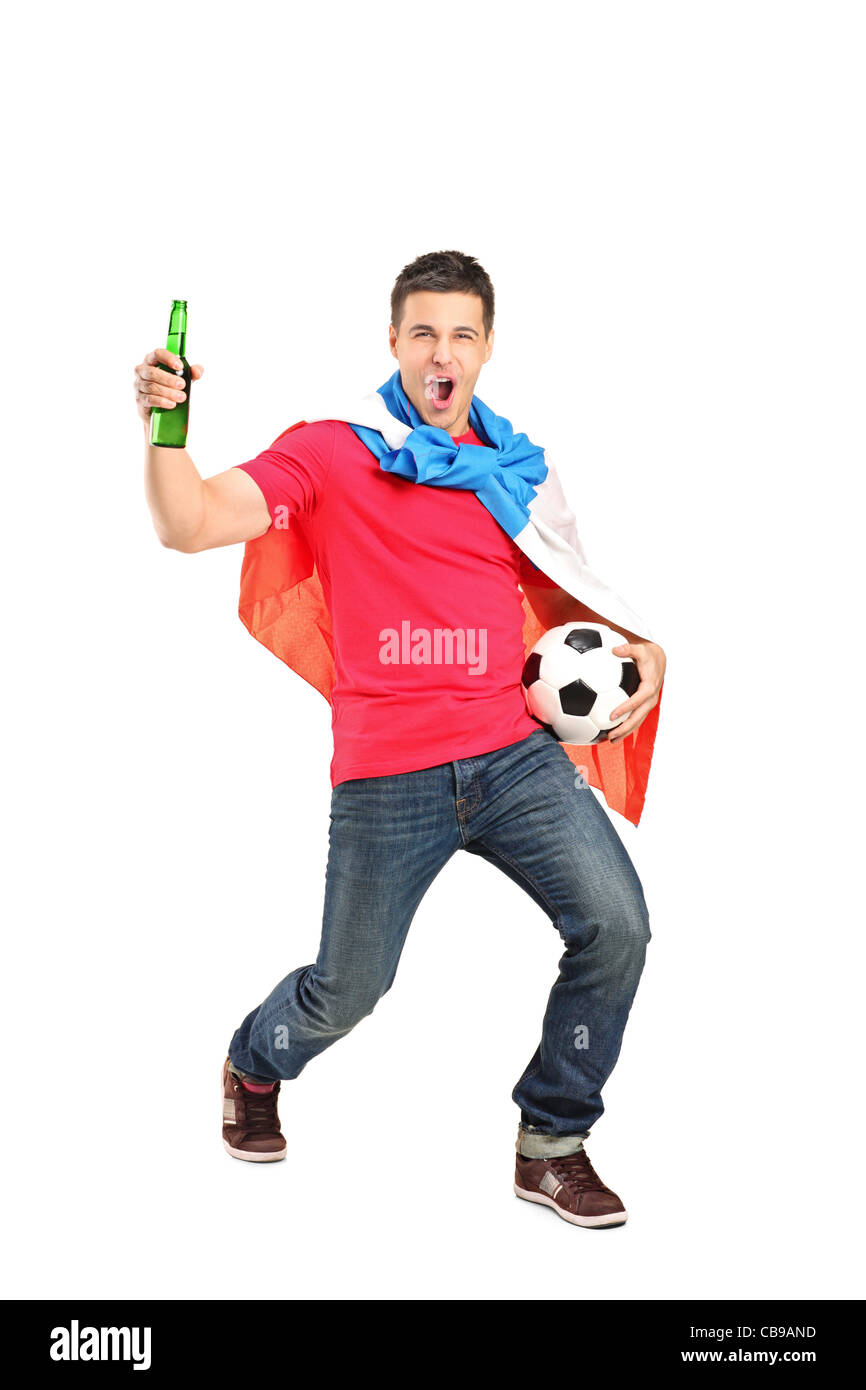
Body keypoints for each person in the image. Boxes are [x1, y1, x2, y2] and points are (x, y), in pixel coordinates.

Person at [136, 250, 666, 1228]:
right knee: (346, 993)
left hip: (514, 756)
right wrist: (166, 430)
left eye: (461, 333)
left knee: (617, 924)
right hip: (391, 774)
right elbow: (191, 521)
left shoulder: (512, 467)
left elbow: (577, 599)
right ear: (392, 342)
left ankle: (551, 1143)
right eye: (422, 331)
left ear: (485, 349)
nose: (442, 351)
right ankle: (255, 1058)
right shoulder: (336, 450)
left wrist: (649, 659)